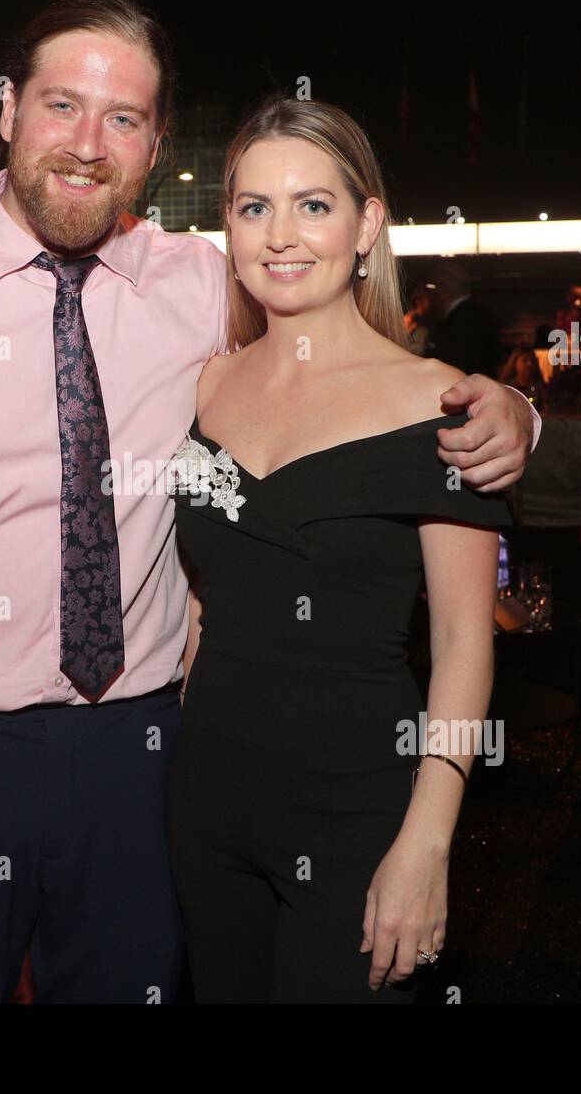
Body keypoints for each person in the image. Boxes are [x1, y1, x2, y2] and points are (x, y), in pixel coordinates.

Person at [0, 0, 540, 1005]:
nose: (89, 144)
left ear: (154, 143)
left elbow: (348, 382)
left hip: (145, 752)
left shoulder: (197, 285)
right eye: (61, 106)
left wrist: (519, 411)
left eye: (123, 118)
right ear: (6, 110)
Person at [166, 98, 509, 1003]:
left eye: (314, 205)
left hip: (360, 805)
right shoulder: (203, 385)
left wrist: (429, 841)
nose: (282, 235)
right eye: (254, 207)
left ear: (369, 225)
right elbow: (205, 598)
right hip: (204, 798)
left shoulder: (441, 404)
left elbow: (467, 645)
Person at [424, 261, 502, 377]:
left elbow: (450, 365)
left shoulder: (453, 323)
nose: (429, 293)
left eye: (433, 286)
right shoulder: (484, 314)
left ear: (444, 289)